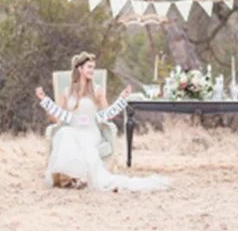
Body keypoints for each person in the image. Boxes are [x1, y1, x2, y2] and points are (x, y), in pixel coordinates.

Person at [36, 51, 171, 192]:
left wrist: (121, 99)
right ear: (80, 69)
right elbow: (56, 118)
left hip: (90, 132)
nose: (92, 70)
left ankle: (82, 178)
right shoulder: (66, 92)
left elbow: (108, 115)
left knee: (77, 139)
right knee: (65, 133)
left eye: (93, 67)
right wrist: (45, 101)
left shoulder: (97, 91)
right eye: (89, 67)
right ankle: (70, 178)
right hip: (74, 130)